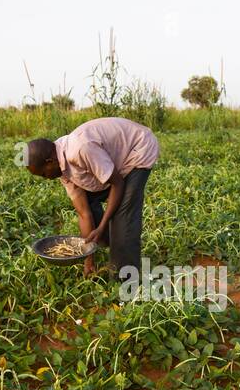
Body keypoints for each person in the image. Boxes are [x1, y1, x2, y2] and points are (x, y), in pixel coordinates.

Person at [25, 116, 158, 276]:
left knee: (123, 218)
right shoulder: (60, 167)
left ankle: (126, 280)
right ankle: (111, 241)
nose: (46, 178)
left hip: (137, 149)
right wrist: (88, 261)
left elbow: (117, 183)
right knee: (89, 202)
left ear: (50, 161)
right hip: (114, 161)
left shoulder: (80, 149)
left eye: (44, 174)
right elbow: (84, 212)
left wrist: (102, 226)